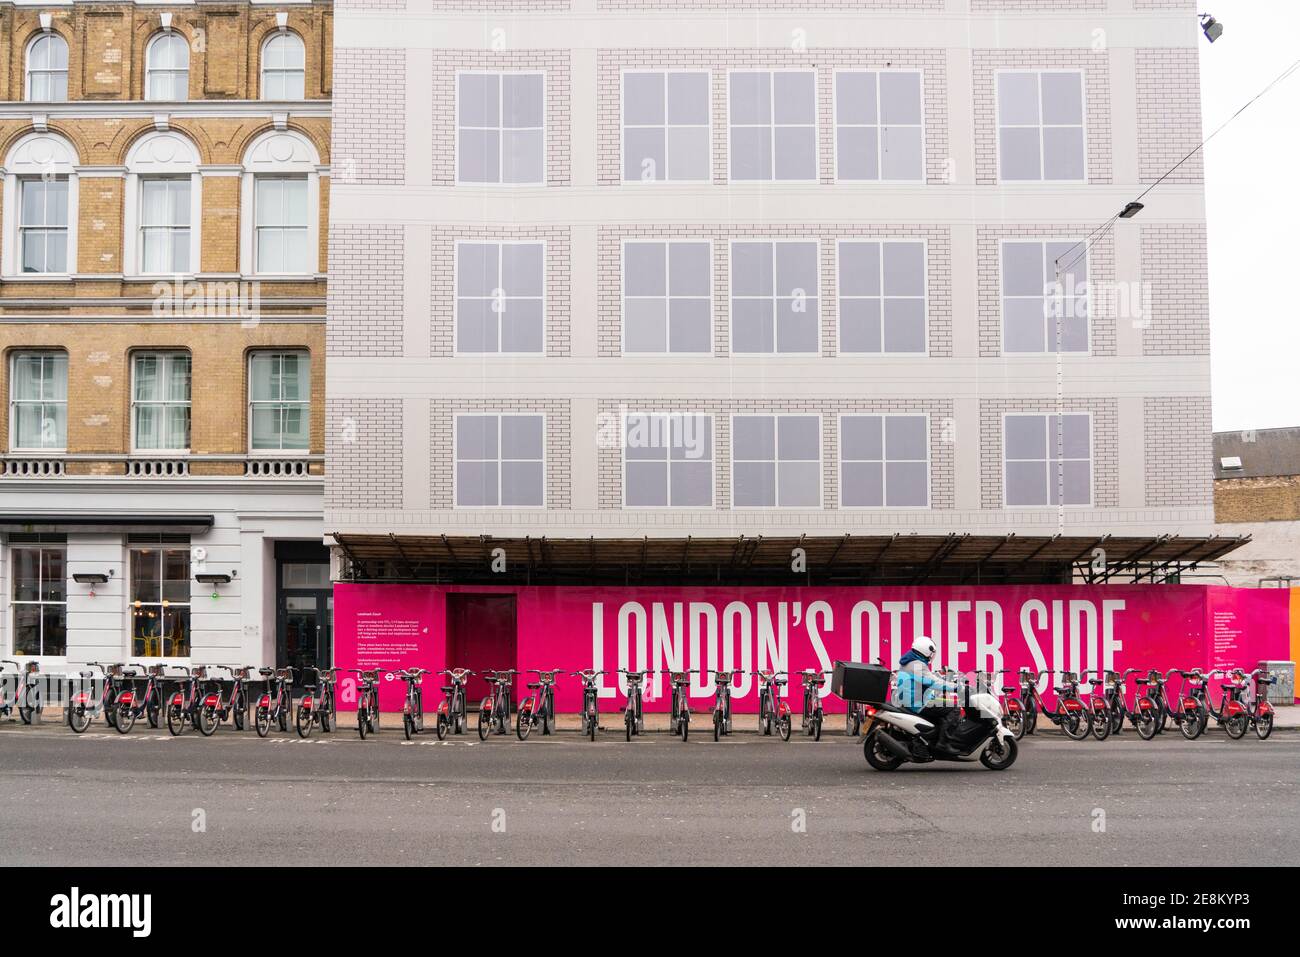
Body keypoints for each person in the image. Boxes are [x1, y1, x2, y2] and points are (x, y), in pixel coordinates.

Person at [894, 636, 961, 753]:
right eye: (932, 652)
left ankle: (934, 738)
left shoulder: (909, 661)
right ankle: (943, 744)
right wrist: (956, 687)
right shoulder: (917, 665)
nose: (932, 656)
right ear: (926, 651)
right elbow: (934, 682)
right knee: (954, 708)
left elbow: (927, 680)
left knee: (942, 706)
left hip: (911, 700)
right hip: (919, 703)